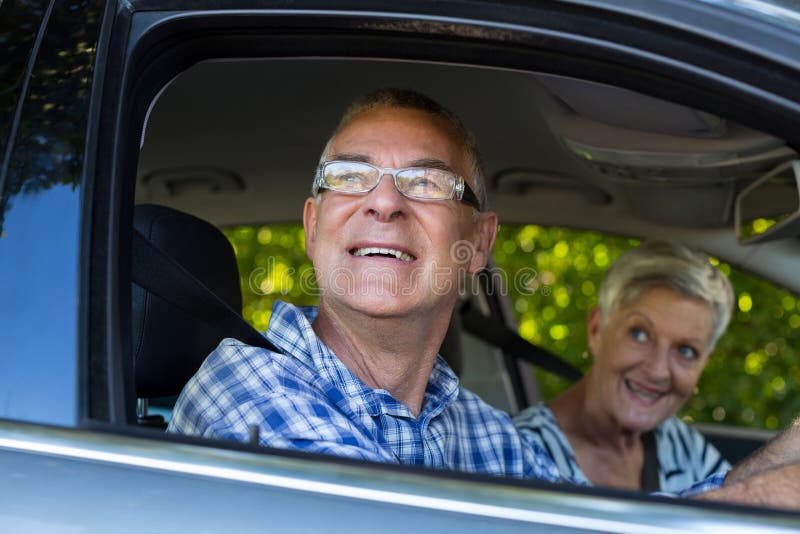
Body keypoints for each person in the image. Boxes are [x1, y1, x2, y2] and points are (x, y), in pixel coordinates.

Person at [168, 87, 800, 508]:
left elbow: (605, 524)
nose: (383, 201)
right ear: (312, 226)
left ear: (477, 242)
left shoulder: (474, 426)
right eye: (349, 177)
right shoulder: (245, 390)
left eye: (426, 182)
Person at [514, 241, 733, 492]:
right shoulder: (521, 452)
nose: (657, 370)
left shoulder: (681, 446)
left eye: (686, 351)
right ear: (597, 330)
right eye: (639, 334)